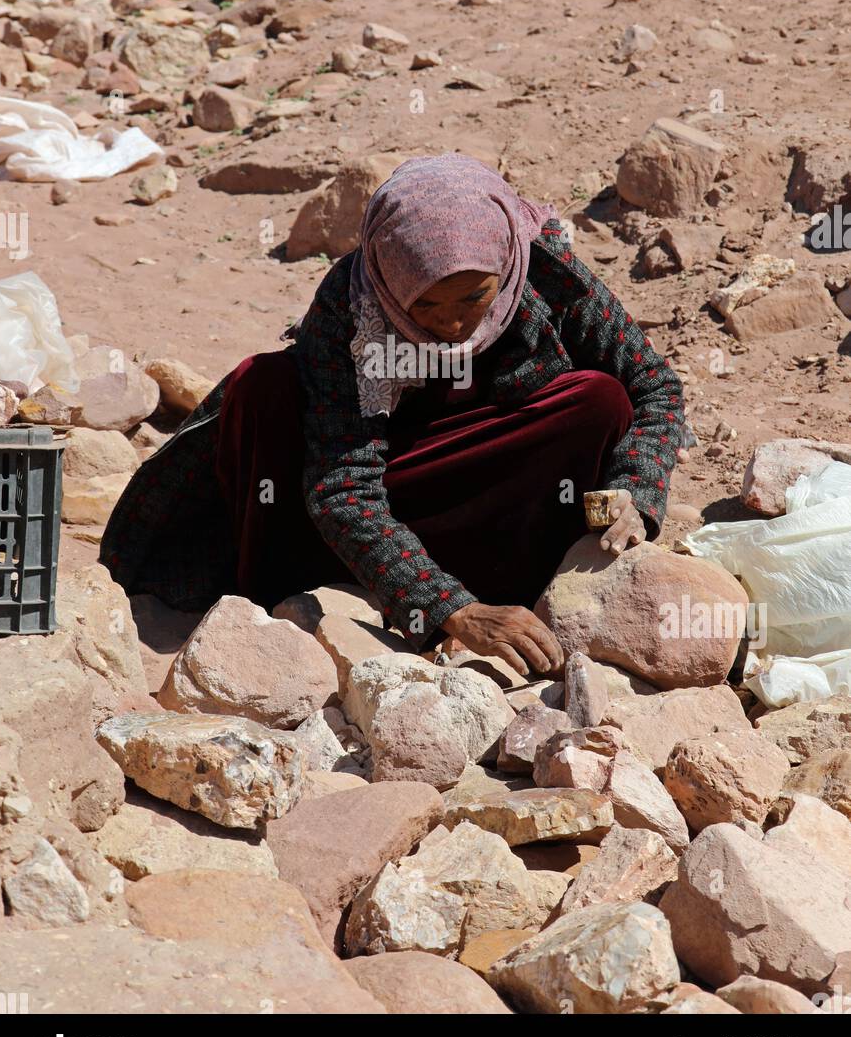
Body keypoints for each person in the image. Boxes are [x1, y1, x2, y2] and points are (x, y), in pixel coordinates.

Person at [101, 153, 686, 678]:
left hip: (489, 487)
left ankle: (519, 584)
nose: (453, 324)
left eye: (474, 298)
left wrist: (636, 487)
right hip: (354, 505)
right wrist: (451, 608)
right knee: (263, 386)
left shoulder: (544, 272)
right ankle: (285, 602)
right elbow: (342, 489)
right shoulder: (350, 306)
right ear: (386, 276)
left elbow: (654, 386)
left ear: (506, 264)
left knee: (598, 399)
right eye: (425, 303)